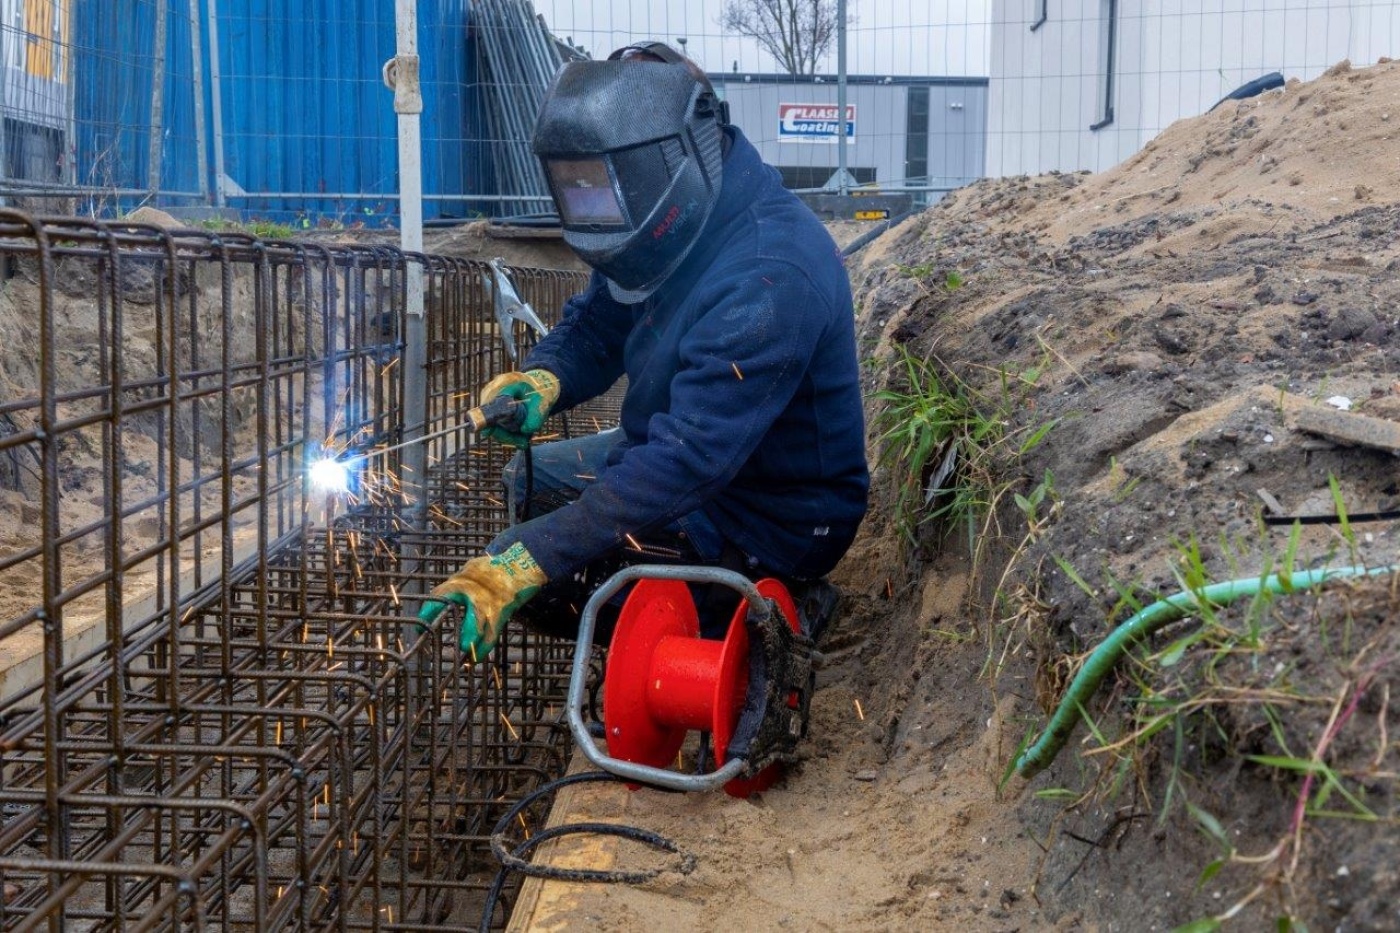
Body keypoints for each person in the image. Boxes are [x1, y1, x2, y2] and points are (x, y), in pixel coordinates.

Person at [417, 41, 870, 659]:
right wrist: (545, 377)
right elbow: (599, 324)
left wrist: (530, 558)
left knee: (548, 578)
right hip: (696, 452)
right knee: (533, 487)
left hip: (775, 514)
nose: (598, 206)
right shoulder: (662, 217)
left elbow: (685, 463)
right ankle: (659, 628)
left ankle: (767, 616)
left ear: (679, 152)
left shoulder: (771, 272)